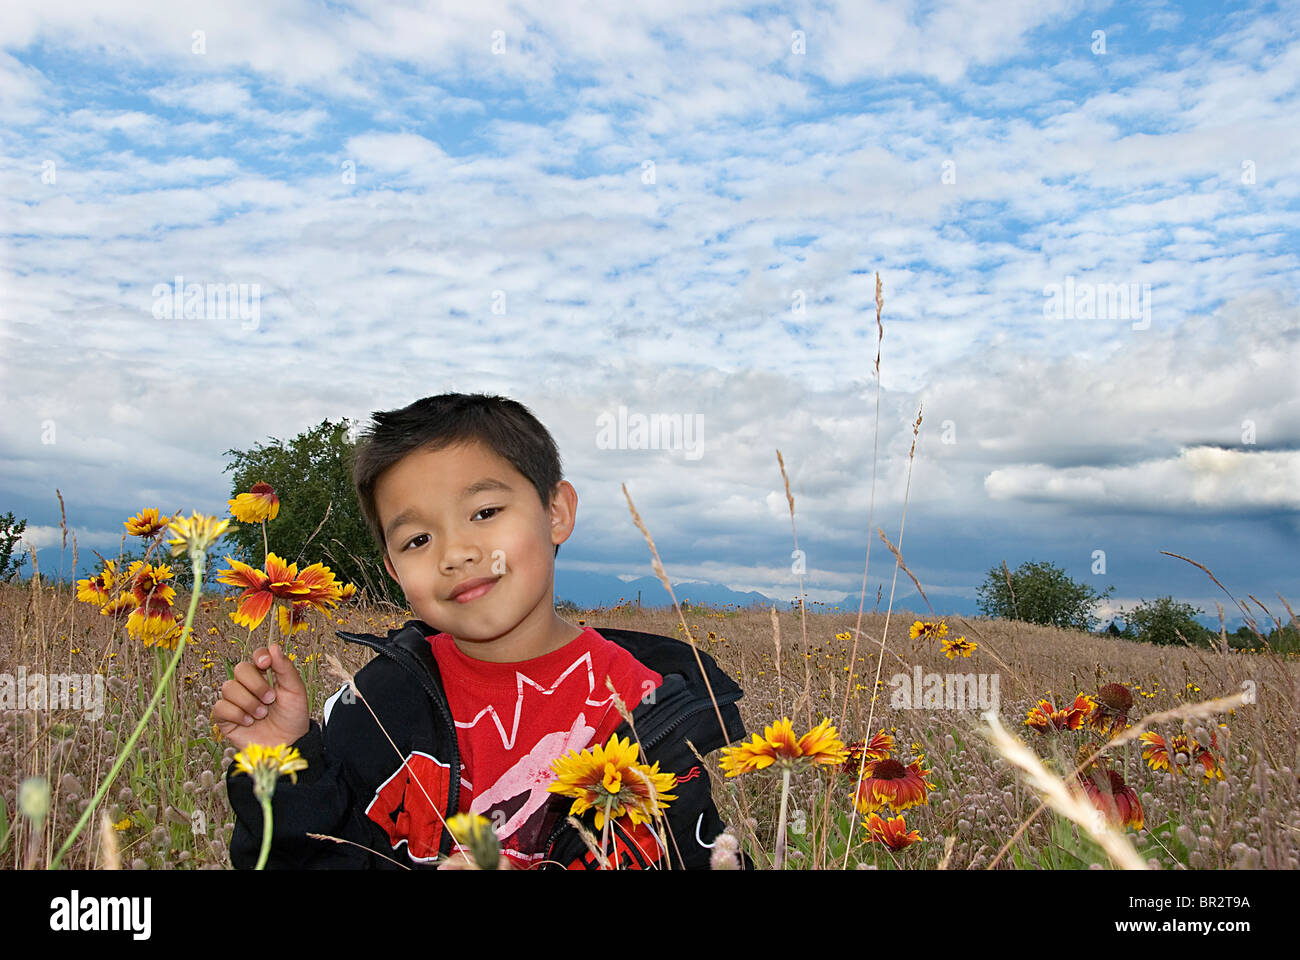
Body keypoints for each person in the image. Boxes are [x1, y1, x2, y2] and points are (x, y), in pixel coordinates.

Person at [214, 393, 749, 869]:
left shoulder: (646, 707)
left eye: (485, 511)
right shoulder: (378, 703)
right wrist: (283, 762)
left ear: (556, 511)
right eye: (418, 540)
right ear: (395, 572)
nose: (456, 553)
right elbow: (315, 854)